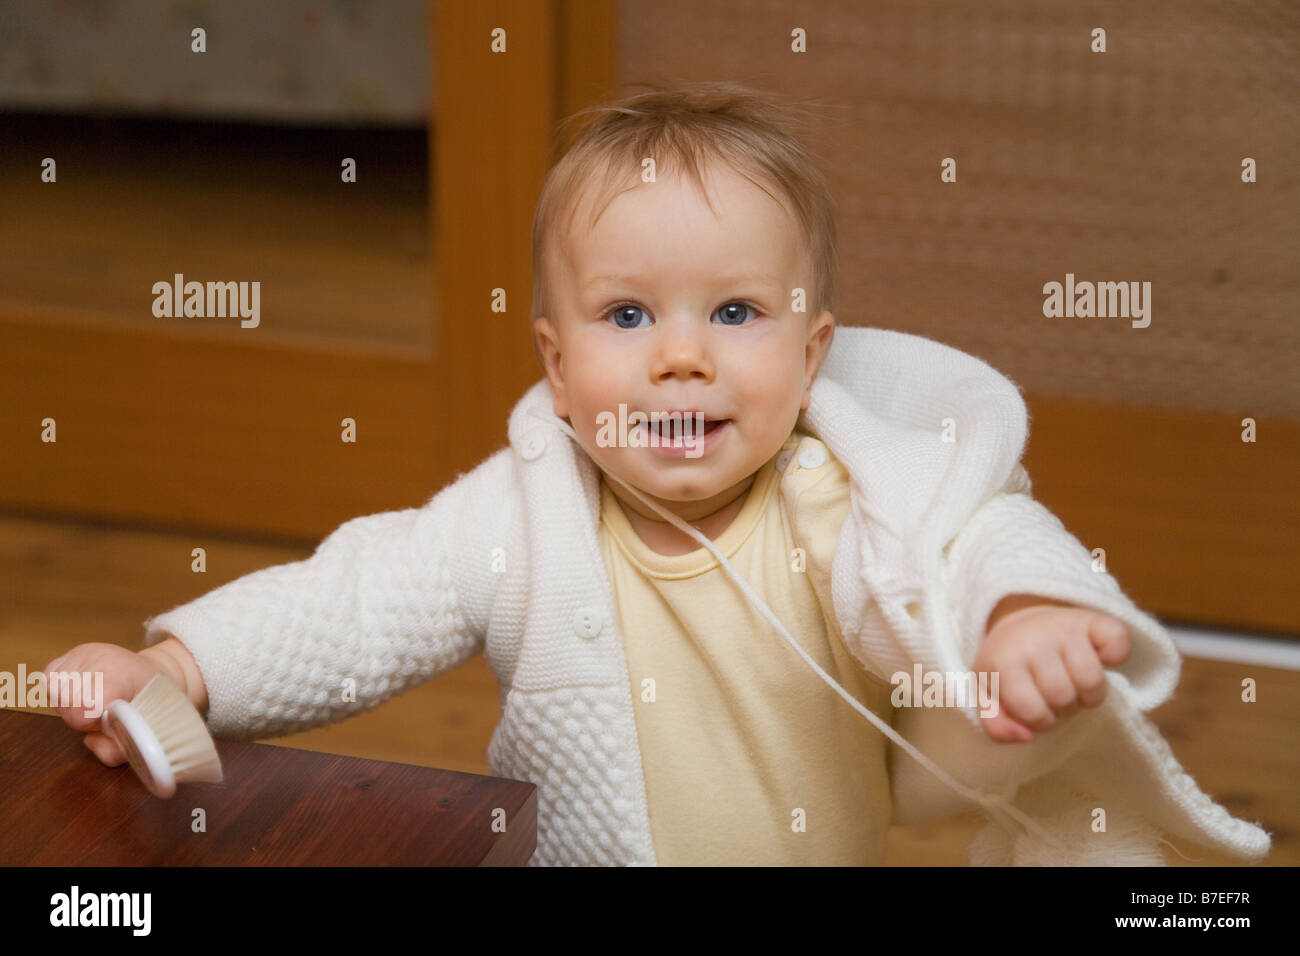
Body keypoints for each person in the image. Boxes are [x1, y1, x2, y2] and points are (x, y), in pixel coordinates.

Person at [45, 82, 1270, 866]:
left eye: (733, 311)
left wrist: (1022, 613)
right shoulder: (523, 516)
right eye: (627, 315)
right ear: (557, 363)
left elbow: (970, 533)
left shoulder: (836, 500)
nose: (681, 356)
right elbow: (354, 600)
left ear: (808, 354)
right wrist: (174, 666)